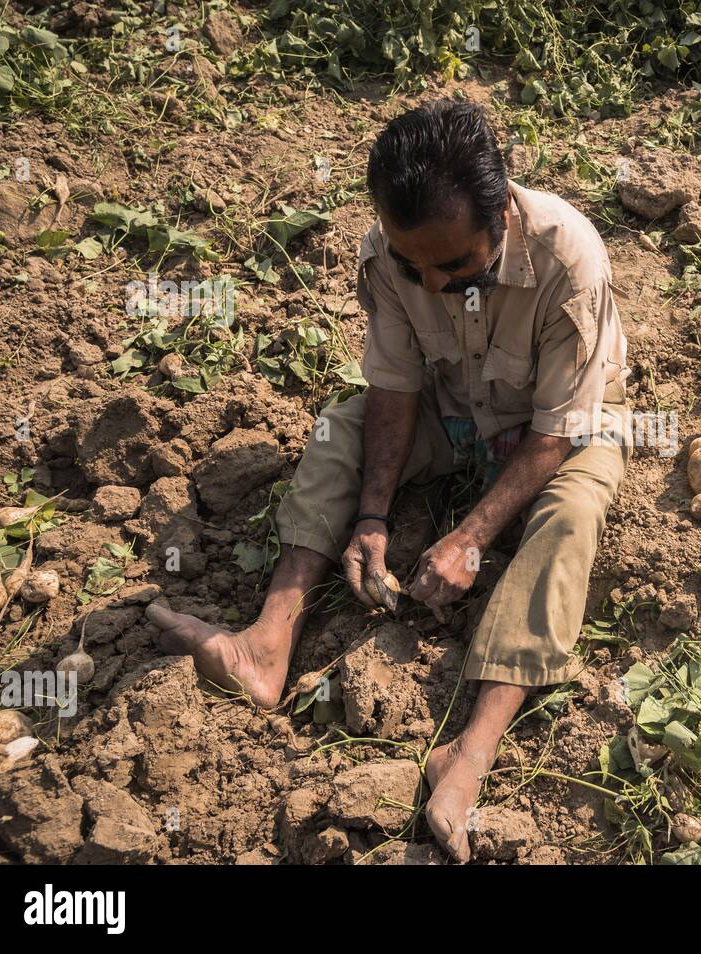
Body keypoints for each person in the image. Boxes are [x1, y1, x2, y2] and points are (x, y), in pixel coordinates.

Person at [146, 100, 631, 862]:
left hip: (557, 425)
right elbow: (394, 389)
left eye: (455, 266)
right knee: (339, 430)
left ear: (501, 213)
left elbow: (556, 432)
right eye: (415, 267)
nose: (433, 283)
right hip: (452, 408)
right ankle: (268, 644)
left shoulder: (569, 261)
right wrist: (371, 516)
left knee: (570, 516)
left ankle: (468, 750)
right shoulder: (391, 252)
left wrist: (470, 537)